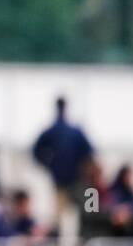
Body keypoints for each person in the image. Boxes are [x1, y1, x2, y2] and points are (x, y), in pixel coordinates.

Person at [32, 96, 93, 236]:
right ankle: (69, 243)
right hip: (70, 182)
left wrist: (49, 164)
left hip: (67, 181)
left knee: (65, 215)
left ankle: (66, 242)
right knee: (68, 215)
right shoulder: (73, 131)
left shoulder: (56, 131)